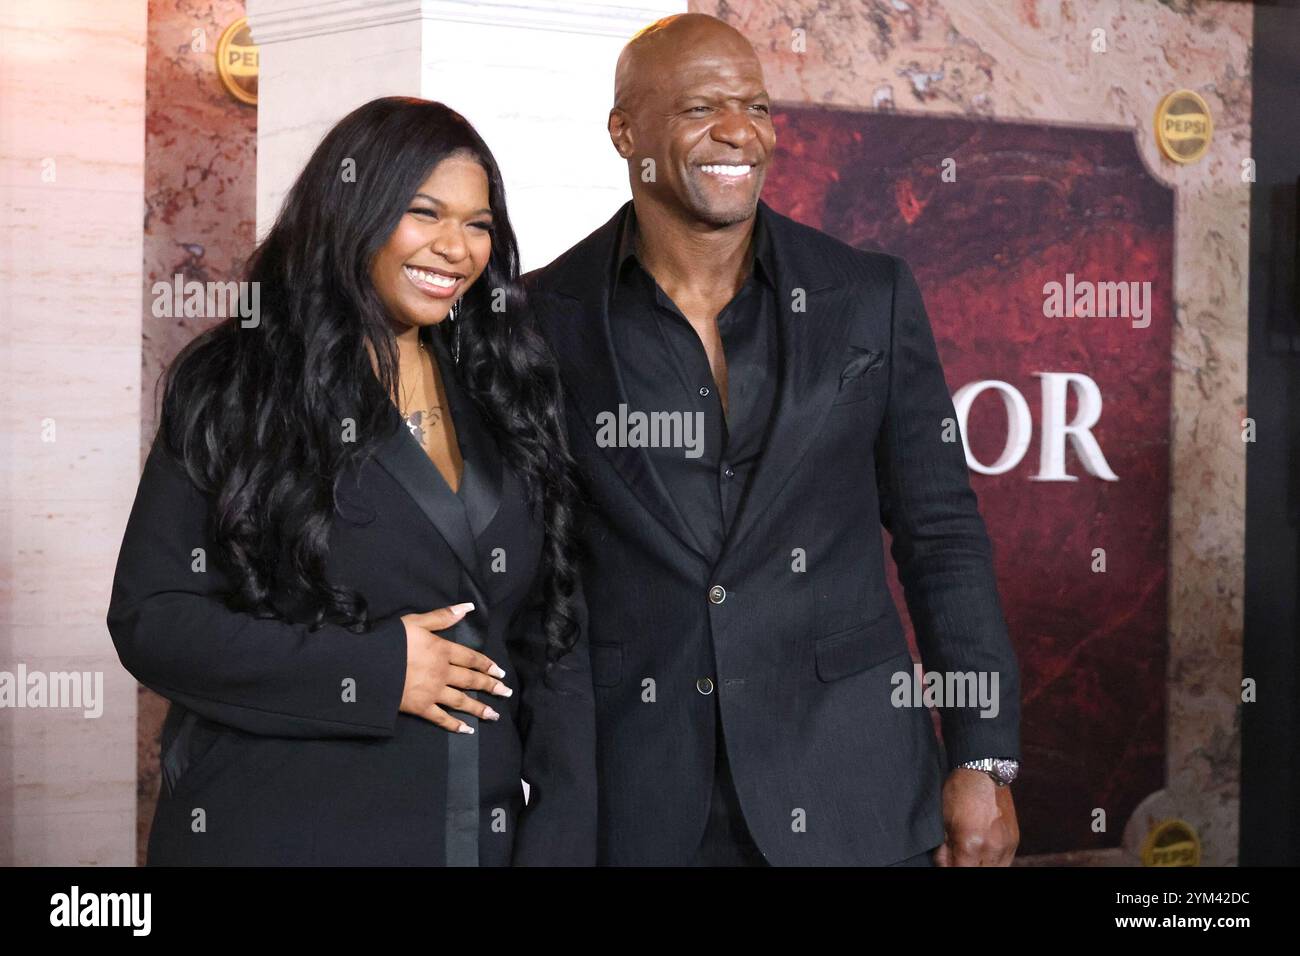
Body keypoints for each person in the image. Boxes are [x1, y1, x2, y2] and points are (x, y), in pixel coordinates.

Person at [524, 14, 1021, 866]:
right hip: (639, 800)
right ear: (624, 131)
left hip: (855, 792)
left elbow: (941, 535)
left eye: (755, 105)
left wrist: (983, 754)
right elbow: (534, 576)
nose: (738, 132)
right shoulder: (541, 319)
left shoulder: (868, 297)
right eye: (699, 109)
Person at [108, 97, 594, 866]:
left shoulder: (506, 385)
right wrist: (374, 669)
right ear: (354, 211)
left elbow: (553, 635)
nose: (455, 247)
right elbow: (153, 618)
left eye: (477, 224)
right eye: (423, 212)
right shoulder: (239, 385)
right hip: (278, 828)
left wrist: (560, 835)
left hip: (474, 832)